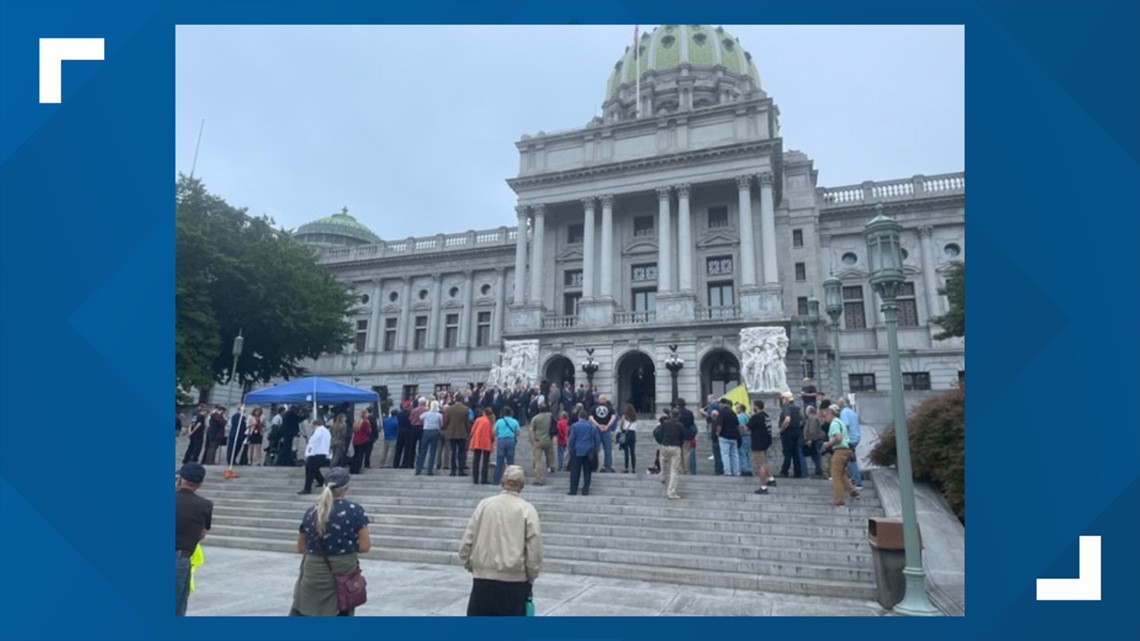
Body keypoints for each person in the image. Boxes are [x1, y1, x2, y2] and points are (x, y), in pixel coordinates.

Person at [458, 465, 543, 616]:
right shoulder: (527, 509)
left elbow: (467, 540)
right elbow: (534, 548)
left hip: (482, 581)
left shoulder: (484, 505)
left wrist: (471, 565)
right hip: (514, 582)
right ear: (522, 486)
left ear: (501, 483)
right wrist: (531, 575)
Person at [290, 467, 371, 616]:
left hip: (313, 571)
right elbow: (365, 546)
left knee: (309, 608)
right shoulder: (354, 510)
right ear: (347, 487)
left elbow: (301, 547)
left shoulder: (311, 511)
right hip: (342, 571)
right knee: (340, 609)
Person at [175, 462, 213, 616]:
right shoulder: (205, 505)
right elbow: (202, 533)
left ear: (179, 480)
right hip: (181, 559)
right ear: (200, 483)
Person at [819, 405, 860, 506]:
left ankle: (839, 498)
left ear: (830, 414)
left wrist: (828, 444)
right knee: (841, 473)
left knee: (835, 475)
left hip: (840, 450)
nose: (825, 418)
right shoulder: (840, 422)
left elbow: (838, 437)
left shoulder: (834, 424)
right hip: (847, 450)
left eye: (825, 416)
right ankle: (852, 490)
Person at [653, 408, 685, 499]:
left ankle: (663, 476)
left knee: (664, 461)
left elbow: (659, 433)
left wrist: (661, 441)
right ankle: (671, 491)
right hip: (675, 446)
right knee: (674, 470)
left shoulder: (665, 423)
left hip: (665, 445)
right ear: (679, 416)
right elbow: (682, 437)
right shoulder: (680, 425)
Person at [567, 409, 601, 496]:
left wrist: (571, 449)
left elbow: (571, 439)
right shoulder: (592, 426)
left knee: (575, 471)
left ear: (579, 416)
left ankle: (573, 490)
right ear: (586, 417)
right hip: (589, 451)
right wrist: (595, 450)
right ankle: (585, 490)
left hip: (577, 450)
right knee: (587, 471)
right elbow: (597, 440)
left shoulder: (574, 426)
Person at [747, 401, 776, 494]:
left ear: (756, 406)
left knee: (760, 465)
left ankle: (763, 487)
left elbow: (748, 426)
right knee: (764, 462)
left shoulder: (756, 417)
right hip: (766, 441)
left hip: (758, 442)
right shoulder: (766, 416)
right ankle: (771, 479)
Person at [299, 417, 331, 495]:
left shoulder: (319, 431)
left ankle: (307, 488)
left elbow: (313, 442)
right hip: (322, 453)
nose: (310, 425)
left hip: (316, 453)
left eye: (311, 423)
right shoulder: (326, 431)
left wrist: (309, 452)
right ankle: (321, 481)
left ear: (315, 424)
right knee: (314, 469)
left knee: (309, 470)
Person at [778, 393, 806, 478]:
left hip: (788, 431)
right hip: (796, 431)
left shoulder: (786, 408)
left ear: (786, 399)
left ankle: (784, 471)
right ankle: (798, 472)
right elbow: (802, 421)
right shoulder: (797, 408)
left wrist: (782, 429)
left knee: (787, 452)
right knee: (795, 453)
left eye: (782, 399)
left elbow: (787, 419)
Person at [837, 397, 863, 489]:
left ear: (843, 403)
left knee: (850, 460)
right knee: (850, 459)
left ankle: (857, 482)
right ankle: (853, 480)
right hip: (855, 437)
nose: (837, 404)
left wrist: (842, 438)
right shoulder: (852, 412)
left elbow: (845, 426)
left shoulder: (844, 412)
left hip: (850, 439)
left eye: (838, 402)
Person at [588, 393, 617, 473]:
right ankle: (607, 466)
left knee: (596, 448)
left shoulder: (593, 407)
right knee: (607, 448)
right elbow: (613, 417)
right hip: (606, 430)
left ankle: (594, 466)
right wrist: (607, 426)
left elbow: (590, 418)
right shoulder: (610, 408)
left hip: (597, 429)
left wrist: (598, 425)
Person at [443, 394, 471, 476]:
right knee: (461, 452)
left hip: (452, 433)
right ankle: (461, 470)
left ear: (455, 399)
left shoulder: (449, 409)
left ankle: (453, 470)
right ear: (462, 400)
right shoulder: (466, 409)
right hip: (462, 433)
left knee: (453, 452)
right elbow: (467, 422)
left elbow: (446, 421)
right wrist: (468, 432)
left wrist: (445, 428)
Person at [492, 407, 521, 484]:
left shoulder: (499, 421)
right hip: (510, 440)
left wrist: (499, 435)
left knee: (499, 461)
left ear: (503, 413)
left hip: (501, 440)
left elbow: (494, 432)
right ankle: (511, 480)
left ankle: (496, 480)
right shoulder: (515, 421)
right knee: (510, 461)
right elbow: (518, 432)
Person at [528, 404, 555, 486]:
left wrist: (531, 440)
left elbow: (531, 430)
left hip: (539, 440)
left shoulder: (535, 418)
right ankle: (551, 466)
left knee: (538, 460)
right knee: (550, 453)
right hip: (548, 439)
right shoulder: (550, 416)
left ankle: (538, 479)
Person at [416, 401, 444, 476]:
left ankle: (418, 469)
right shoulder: (439, 415)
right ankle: (429, 470)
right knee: (433, 451)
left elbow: (420, 418)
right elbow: (441, 424)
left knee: (422, 451)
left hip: (426, 432)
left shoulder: (426, 414)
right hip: (435, 432)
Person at [469, 407, 495, 485]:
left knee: (476, 460)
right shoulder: (489, 422)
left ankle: (475, 479)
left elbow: (473, 430)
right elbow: (492, 434)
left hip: (477, 441)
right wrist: (492, 440)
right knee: (485, 461)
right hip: (486, 442)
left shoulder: (478, 419)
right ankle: (484, 479)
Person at [699, 394, 724, 474]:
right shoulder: (715, 405)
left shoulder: (713, 405)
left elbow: (709, 415)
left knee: (712, 438)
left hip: (712, 423)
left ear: (712, 398)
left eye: (708, 398)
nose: (707, 400)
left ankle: (714, 453)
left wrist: (702, 412)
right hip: (712, 423)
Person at [716, 400, 741, 476]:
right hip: (734, 436)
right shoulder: (733, 413)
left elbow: (719, 424)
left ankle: (727, 471)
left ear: (723, 404)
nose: (719, 405)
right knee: (734, 454)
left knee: (725, 454)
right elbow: (737, 425)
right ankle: (736, 471)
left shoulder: (722, 413)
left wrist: (718, 433)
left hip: (724, 436)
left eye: (720, 404)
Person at [802, 406, 826, 478]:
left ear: (809, 411)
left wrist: (810, 439)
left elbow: (812, 430)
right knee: (815, 456)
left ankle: (818, 472)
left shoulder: (812, 418)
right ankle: (818, 471)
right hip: (815, 439)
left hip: (815, 440)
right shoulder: (813, 418)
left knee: (816, 456)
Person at [676, 398, 697, 475]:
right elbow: (691, 423)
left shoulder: (676, 412)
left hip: (678, 434)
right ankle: (686, 469)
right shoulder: (689, 412)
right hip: (687, 434)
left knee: (678, 452)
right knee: (685, 452)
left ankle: (680, 469)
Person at [617, 404, 639, 473]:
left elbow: (621, 426)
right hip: (633, 434)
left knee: (626, 452)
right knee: (632, 452)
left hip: (626, 434)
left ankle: (626, 467)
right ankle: (633, 468)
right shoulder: (634, 417)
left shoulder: (624, 417)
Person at [349, 409, 371, 474]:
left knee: (355, 454)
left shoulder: (356, 421)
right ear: (365, 415)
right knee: (360, 455)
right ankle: (356, 469)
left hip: (355, 439)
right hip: (363, 440)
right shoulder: (365, 422)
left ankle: (352, 468)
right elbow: (368, 431)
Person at [735, 403, 753, 476]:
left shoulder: (740, 416)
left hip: (743, 436)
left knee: (742, 453)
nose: (736, 409)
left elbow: (741, 427)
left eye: (737, 408)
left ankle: (744, 469)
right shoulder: (747, 416)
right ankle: (748, 468)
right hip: (748, 436)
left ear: (740, 409)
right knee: (747, 453)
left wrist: (739, 435)